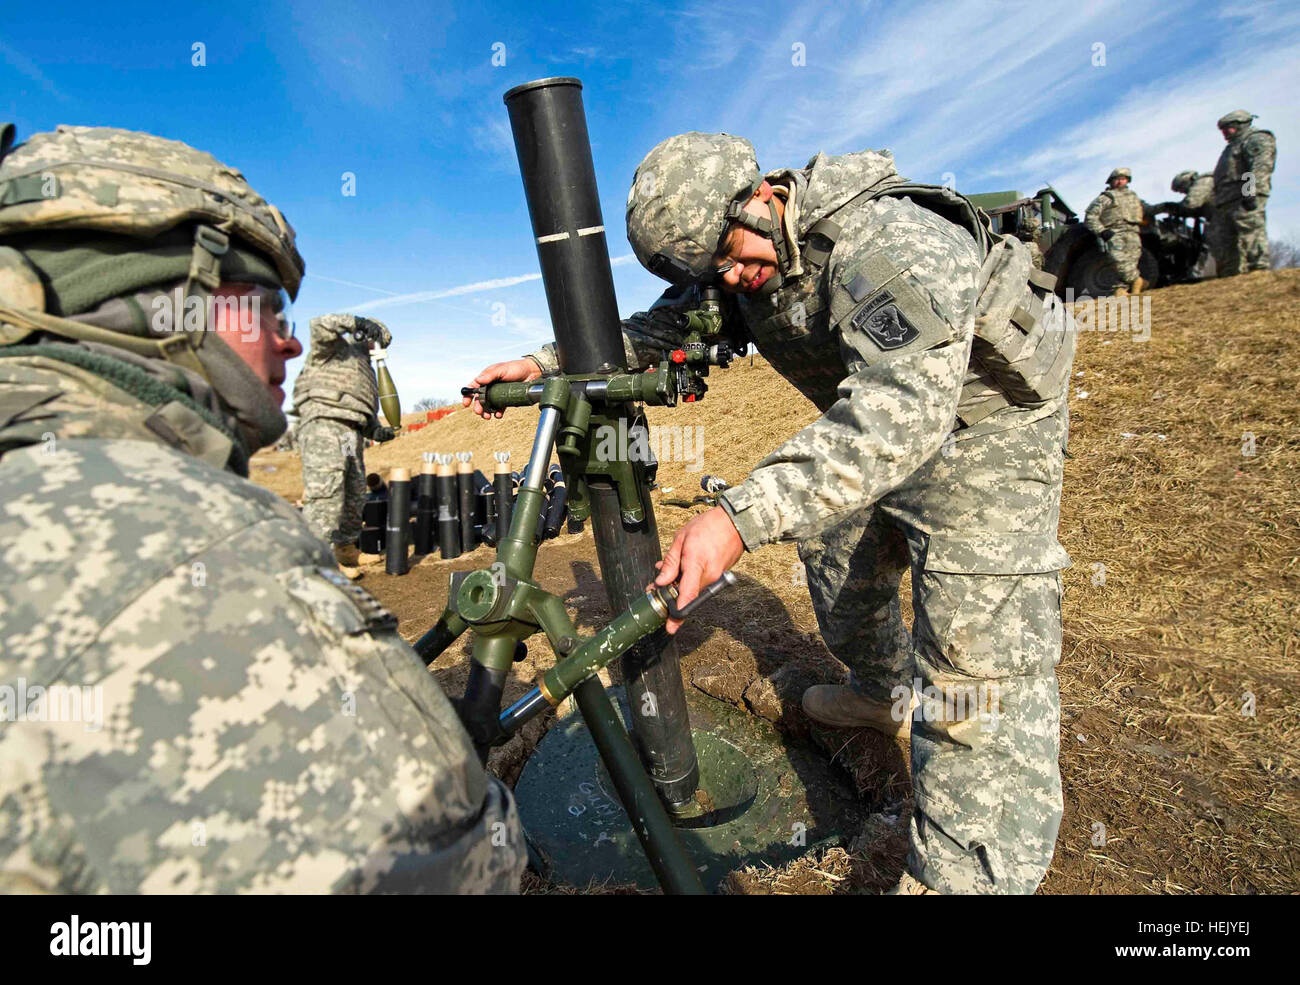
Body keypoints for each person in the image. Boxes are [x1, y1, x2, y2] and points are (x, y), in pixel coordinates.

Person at [467, 132, 1075, 894]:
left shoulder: (889, 238)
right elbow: (659, 330)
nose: (731, 279)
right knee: (835, 550)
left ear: (761, 195)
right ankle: (877, 692)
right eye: (711, 272)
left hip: (985, 432)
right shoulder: (739, 261)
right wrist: (547, 362)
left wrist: (737, 516)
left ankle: (965, 876)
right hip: (872, 413)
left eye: (731, 255)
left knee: (971, 674)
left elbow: (903, 411)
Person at [0, 123, 524, 893]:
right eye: (267, 308)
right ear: (172, 304)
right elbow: (463, 862)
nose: (286, 344)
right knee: (322, 504)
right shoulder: (203, 543)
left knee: (342, 508)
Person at [292, 313, 396, 578]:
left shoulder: (365, 369)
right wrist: (357, 322)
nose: (378, 348)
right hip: (324, 424)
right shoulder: (332, 349)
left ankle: (346, 550)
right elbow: (318, 324)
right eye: (377, 340)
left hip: (353, 432)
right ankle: (316, 559)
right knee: (327, 492)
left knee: (354, 492)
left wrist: (377, 430)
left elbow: (361, 407)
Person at [1212, 109, 1275, 275]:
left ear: (1241, 125)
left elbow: (1259, 168)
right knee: (1225, 241)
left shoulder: (1256, 139)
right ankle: (1231, 275)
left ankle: (1259, 269)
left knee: (1251, 232)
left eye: (1228, 128)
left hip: (1244, 197)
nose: (1225, 132)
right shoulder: (1232, 146)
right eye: (1222, 129)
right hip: (1226, 201)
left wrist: (1250, 192)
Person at [1083, 167, 1148, 295]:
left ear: (1127, 181)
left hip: (1133, 232)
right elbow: (1090, 216)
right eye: (1116, 179)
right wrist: (1102, 231)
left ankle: (1121, 290)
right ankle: (1137, 280)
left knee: (1131, 261)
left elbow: (1146, 209)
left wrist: (1164, 207)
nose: (1119, 182)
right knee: (1118, 260)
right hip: (1115, 233)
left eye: (1123, 179)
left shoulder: (1133, 197)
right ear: (1111, 182)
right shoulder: (1106, 197)